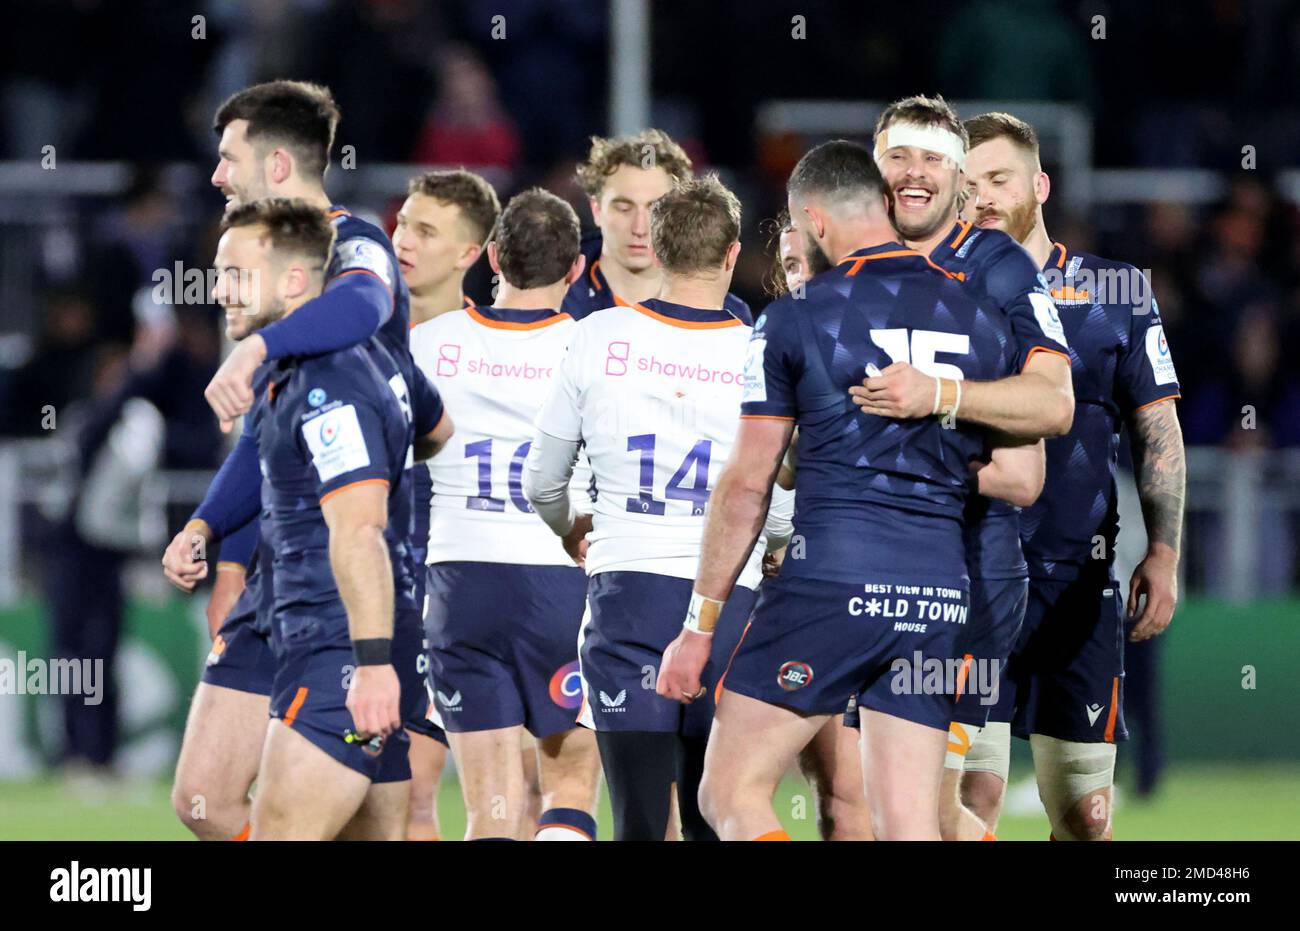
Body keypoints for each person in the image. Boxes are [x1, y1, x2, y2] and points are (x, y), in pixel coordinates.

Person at [657, 141, 1041, 841]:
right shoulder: (982, 319)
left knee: (730, 792)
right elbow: (1025, 475)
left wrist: (699, 626)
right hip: (937, 592)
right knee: (910, 825)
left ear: (813, 221)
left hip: (830, 581)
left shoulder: (797, 318)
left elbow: (747, 485)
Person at [525, 175, 790, 841]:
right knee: (716, 815)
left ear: (660, 250)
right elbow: (778, 488)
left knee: (639, 822)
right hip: (731, 599)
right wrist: (778, 544)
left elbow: (541, 480)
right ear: (732, 255)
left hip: (627, 598)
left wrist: (569, 529)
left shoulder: (596, 334)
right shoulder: (761, 349)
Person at [848, 95, 1073, 840]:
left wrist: (938, 400)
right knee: (900, 809)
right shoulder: (849, 264)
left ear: (958, 180)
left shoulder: (998, 270)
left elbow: (1045, 421)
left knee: (912, 808)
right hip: (856, 568)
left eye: (932, 158)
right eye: (897, 157)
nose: (913, 174)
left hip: (968, 570)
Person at [956, 112, 1185, 840]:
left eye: (999, 179)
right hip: (971, 576)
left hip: (1079, 584)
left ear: (1039, 184)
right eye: (969, 185)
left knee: (1086, 815)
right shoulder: (941, 294)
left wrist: (1165, 549)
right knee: (974, 795)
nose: (984, 197)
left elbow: (1158, 430)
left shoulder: (1116, 292)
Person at [211, 198, 449, 839]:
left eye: (235, 274)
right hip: (339, 640)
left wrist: (371, 666)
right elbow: (439, 425)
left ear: (294, 282)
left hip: (337, 649)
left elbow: (359, 529)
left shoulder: (326, 384)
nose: (218, 290)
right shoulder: (357, 360)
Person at [411, 188, 601, 841]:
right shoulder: (594, 349)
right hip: (560, 580)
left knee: (490, 808)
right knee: (570, 786)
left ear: (491, 256)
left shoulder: (428, 344)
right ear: (575, 270)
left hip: (458, 582)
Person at [392, 167, 501, 839]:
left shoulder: (491, 352)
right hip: (366, 583)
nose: (403, 238)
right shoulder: (366, 339)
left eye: (425, 230)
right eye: (403, 222)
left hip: (450, 589)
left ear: (468, 254)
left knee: (417, 792)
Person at [562, 129, 751, 325]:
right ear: (596, 210)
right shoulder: (552, 296)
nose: (640, 228)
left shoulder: (728, 315)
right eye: (624, 208)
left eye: (656, 209)